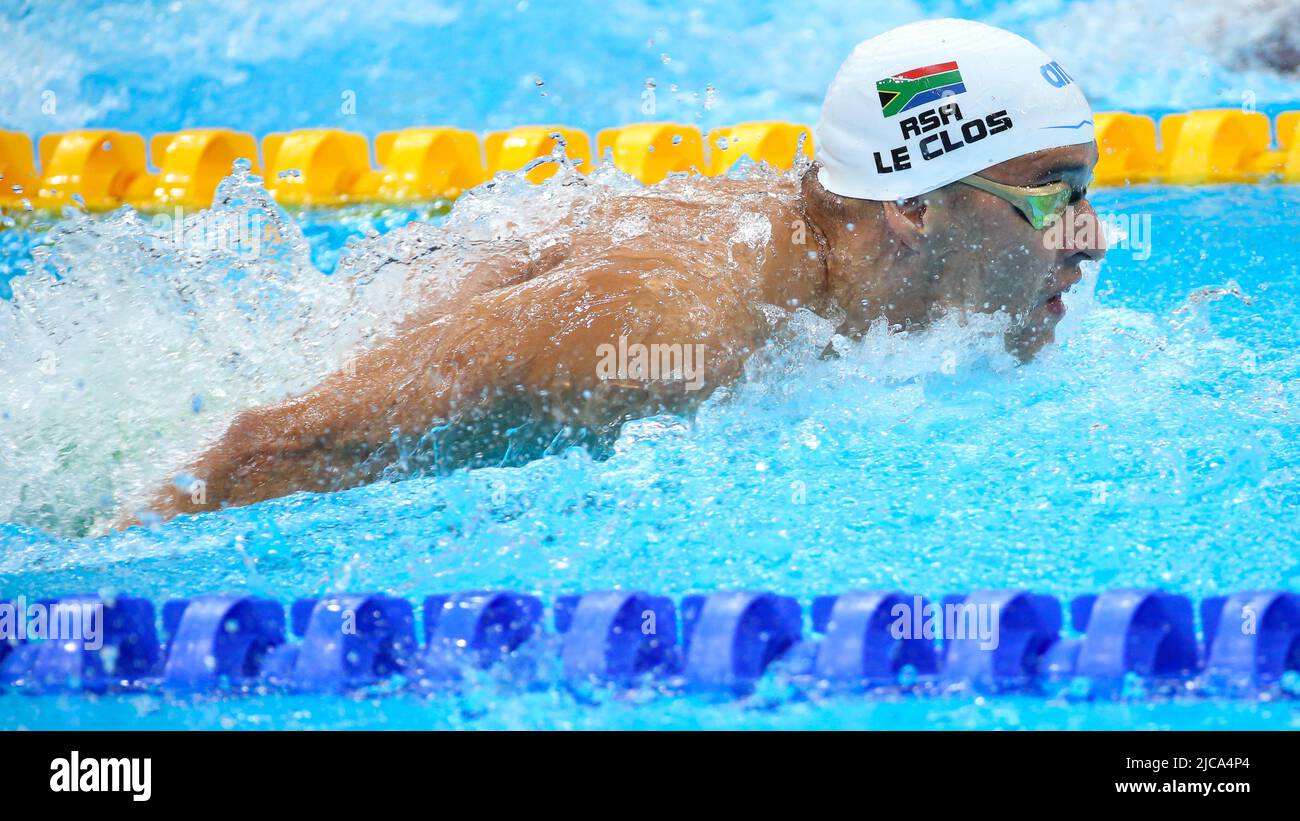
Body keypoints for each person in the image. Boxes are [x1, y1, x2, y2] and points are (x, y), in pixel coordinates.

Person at [120, 18, 1106, 526]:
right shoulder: (674, 331)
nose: (1088, 238)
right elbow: (273, 445)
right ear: (909, 204)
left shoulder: (846, 265)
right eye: (1052, 195)